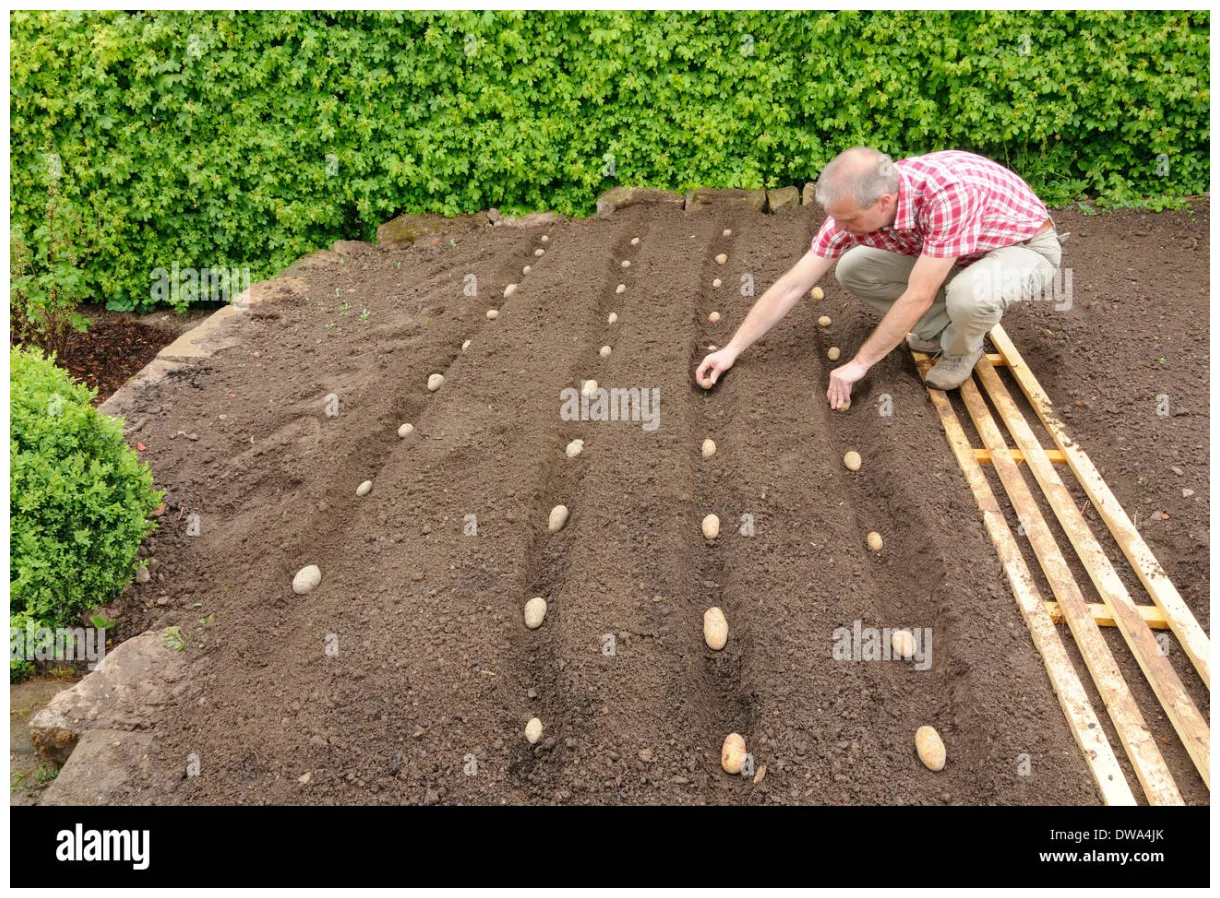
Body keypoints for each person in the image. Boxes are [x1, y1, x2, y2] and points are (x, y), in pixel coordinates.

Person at [694, 147, 1063, 408]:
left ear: (884, 202)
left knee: (970, 296)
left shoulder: (946, 194)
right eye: (835, 218)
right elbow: (794, 284)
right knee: (852, 268)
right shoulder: (856, 205)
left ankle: (962, 350)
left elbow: (918, 294)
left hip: (1023, 248)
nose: (839, 228)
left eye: (849, 220)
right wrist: (731, 349)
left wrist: (858, 365)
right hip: (957, 255)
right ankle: (938, 330)